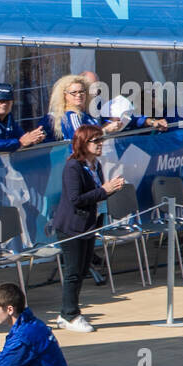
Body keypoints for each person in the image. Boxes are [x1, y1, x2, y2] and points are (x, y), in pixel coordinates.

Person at [50, 125, 126, 333]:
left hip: (89, 225)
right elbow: (76, 199)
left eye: (101, 140)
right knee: (73, 271)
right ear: (84, 143)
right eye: (96, 141)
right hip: (72, 226)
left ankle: (68, 312)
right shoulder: (73, 167)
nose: (100, 144)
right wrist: (104, 190)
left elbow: (96, 195)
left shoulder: (96, 165)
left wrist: (109, 190)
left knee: (83, 269)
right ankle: (70, 314)